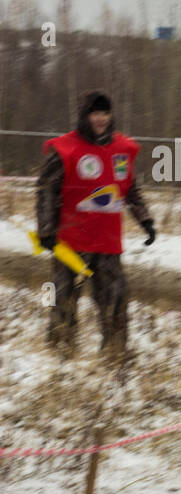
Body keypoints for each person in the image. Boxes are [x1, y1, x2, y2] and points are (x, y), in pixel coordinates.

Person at [36, 89, 156, 357]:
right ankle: (60, 353)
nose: (100, 118)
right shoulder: (65, 149)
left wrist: (145, 219)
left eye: (105, 112)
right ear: (84, 115)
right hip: (70, 239)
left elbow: (130, 190)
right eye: (95, 113)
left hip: (107, 241)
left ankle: (115, 353)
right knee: (64, 299)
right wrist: (45, 230)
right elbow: (46, 190)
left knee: (115, 299)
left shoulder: (122, 149)